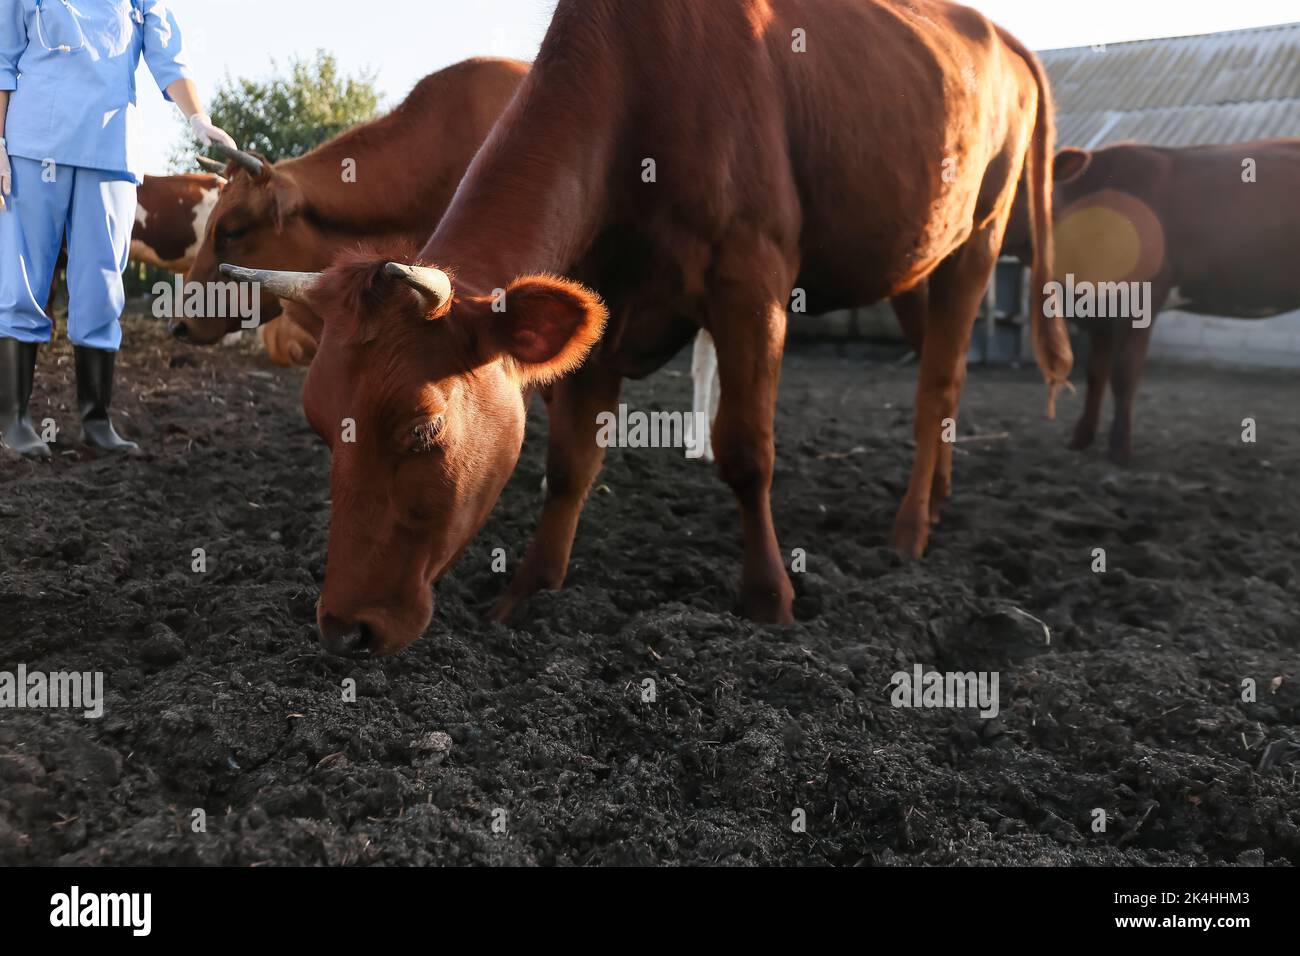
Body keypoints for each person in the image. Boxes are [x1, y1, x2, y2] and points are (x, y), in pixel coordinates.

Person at [0, 0, 236, 456]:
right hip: (33, 147)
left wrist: (197, 117)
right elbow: (3, 61)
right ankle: (14, 419)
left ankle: (96, 421)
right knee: (23, 283)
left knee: (101, 287)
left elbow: (168, 53)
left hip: (109, 152)